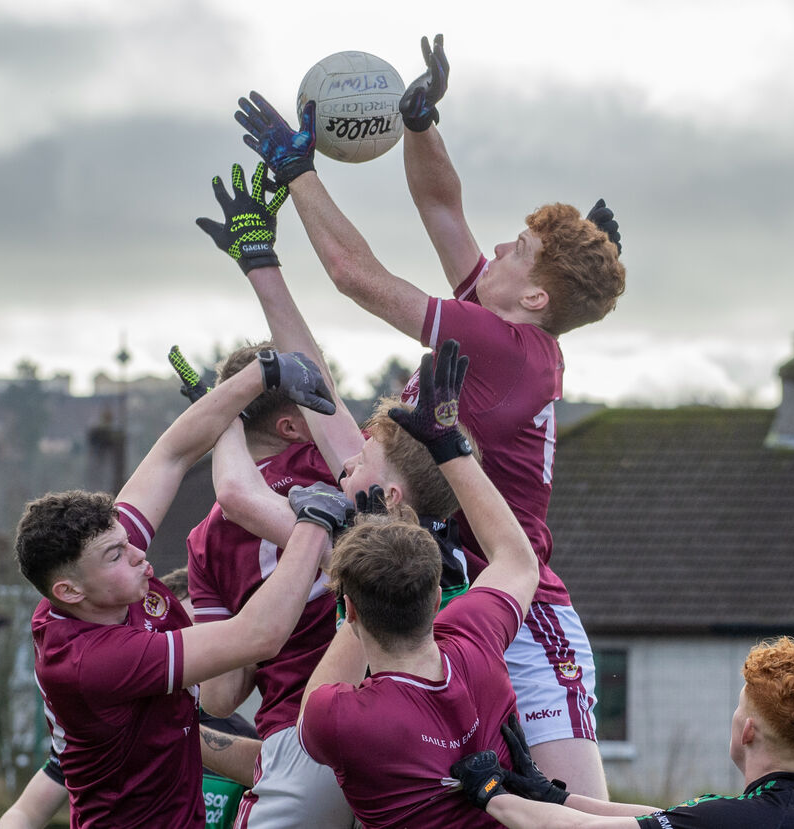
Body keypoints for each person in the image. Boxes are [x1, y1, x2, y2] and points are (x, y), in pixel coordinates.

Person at [234, 34, 626, 797]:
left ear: (537, 298)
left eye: (521, 249)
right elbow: (442, 206)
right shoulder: (503, 317)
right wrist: (419, 123)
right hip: (443, 600)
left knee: (576, 814)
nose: (501, 247)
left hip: (517, 608)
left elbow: (357, 277)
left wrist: (297, 174)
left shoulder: (508, 345)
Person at [189, 161, 476, 827]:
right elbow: (316, 380)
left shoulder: (353, 529)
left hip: (319, 746)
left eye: (355, 462)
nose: (338, 465)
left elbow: (237, 491)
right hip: (425, 750)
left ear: (393, 490)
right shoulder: (446, 553)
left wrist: (217, 411)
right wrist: (261, 265)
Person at [14, 349, 353, 828]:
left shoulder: (95, 586)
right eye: (116, 555)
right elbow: (261, 636)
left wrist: (260, 375)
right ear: (69, 591)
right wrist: (314, 524)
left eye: (124, 540)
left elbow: (172, 455)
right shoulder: (93, 659)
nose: (139, 554)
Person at [295, 341, 540, 828]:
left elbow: (307, 717)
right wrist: (451, 446)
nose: (345, 466)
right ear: (435, 598)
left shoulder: (340, 719)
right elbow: (517, 559)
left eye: (358, 461)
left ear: (352, 608)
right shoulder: (474, 643)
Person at [452, 636, 794, 828]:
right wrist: (556, 796)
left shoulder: (741, 819)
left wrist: (492, 795)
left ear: (748, 731)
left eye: (739, 709)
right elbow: (673, 819)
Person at [0, 565, 260, 829]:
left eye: (204, 636)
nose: (190, 649)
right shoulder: (100, 728)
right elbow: (25, 814)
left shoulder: (242, 739)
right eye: (180, 634)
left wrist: (175, 732)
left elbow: (288, 774)